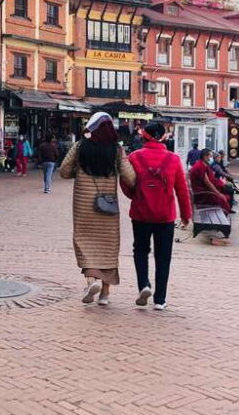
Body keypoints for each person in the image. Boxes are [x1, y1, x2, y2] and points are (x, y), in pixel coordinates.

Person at [59, 112, 135, 306]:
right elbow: (131, 178)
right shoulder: (117, 150)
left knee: (85, 243)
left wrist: (80, 171)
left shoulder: (80, 147)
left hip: (83, 207)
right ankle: (105, 294)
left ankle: (91, 281)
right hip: (108, 209)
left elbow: (64, 171)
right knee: (107, 248)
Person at [121, 123, 192, 311]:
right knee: (163, 256)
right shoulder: (174, 159)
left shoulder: (134, 157)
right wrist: (186, 215)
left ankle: (144, 285)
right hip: (165, 215)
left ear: (144, 137)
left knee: (141, 251)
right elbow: (182, 191)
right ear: (163, 138)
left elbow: (126, 183)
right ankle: (160, 299)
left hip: (140, 213)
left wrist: (136, 196)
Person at [189, 148, 232, 215]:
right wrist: (218, 194)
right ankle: (221, 222)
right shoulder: (200, 166)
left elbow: (211, 179)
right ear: (205, 156)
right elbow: (208, 183)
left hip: (205, 191)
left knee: (227, 191)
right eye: (210, 156)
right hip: (202, 195)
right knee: (223, 199)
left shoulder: (203, 164)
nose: (211, 158)